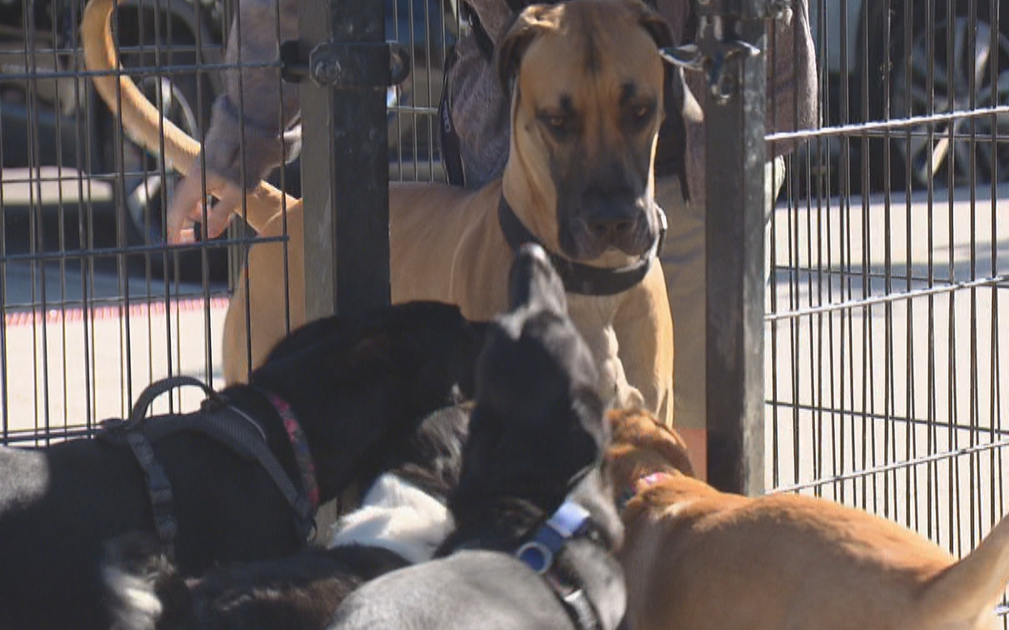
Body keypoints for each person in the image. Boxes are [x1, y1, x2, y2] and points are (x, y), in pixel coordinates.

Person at [166, 0, 819, 475]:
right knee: (519, 465)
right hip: (526, 142)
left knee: (681, 474)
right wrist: (241, 137)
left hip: (708, 116)